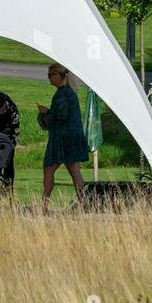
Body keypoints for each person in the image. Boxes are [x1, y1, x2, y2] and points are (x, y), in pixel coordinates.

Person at [38, 63, 87, 210]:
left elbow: (61, 115)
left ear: (60, 75)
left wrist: (46, 112)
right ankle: (84, 201)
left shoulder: (62, 94)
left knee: (49, 169)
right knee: (74, 170)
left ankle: (44, 204)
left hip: (62, 139)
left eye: (51, 75)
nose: (49, 78)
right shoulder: (70, 92)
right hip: (73, 137)